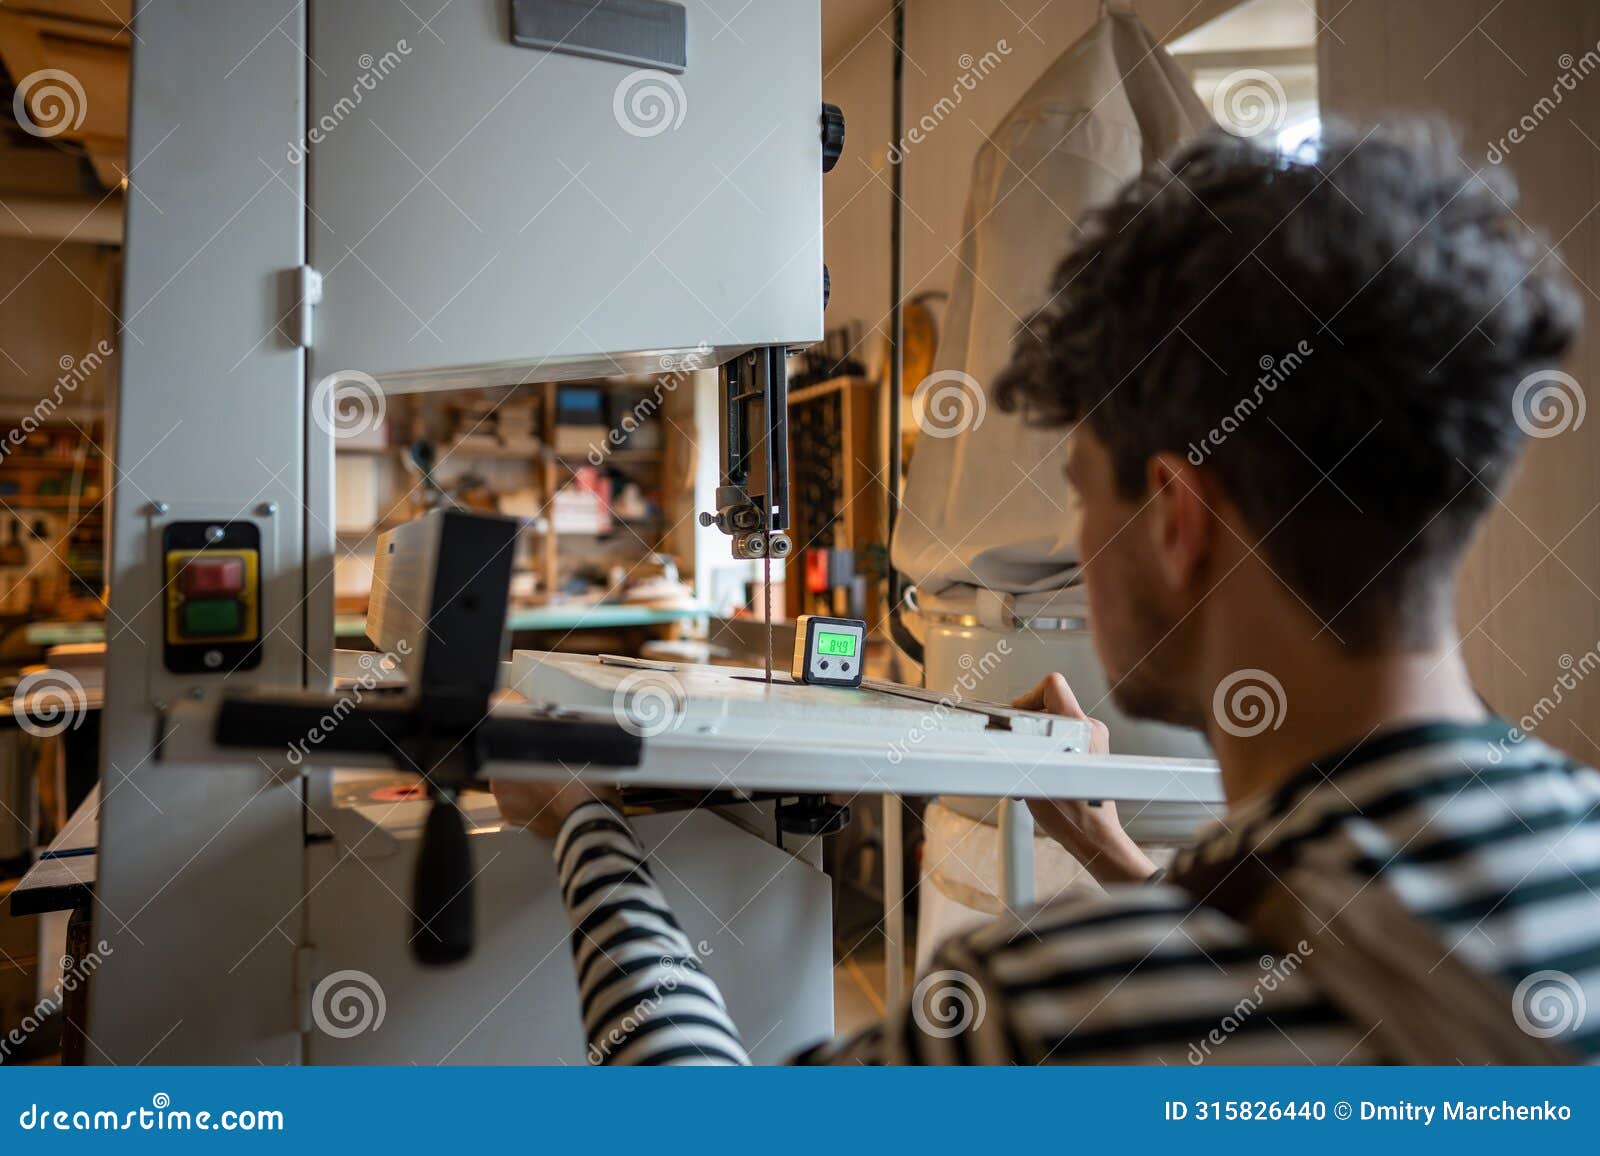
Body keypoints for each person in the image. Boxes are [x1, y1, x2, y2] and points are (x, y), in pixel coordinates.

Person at [493, 122, 1600, 1064]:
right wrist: (1115, 857)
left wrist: (586, 828)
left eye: (1079, 494)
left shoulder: (1047, 1008)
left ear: (1175, 520)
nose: (1076, 539)